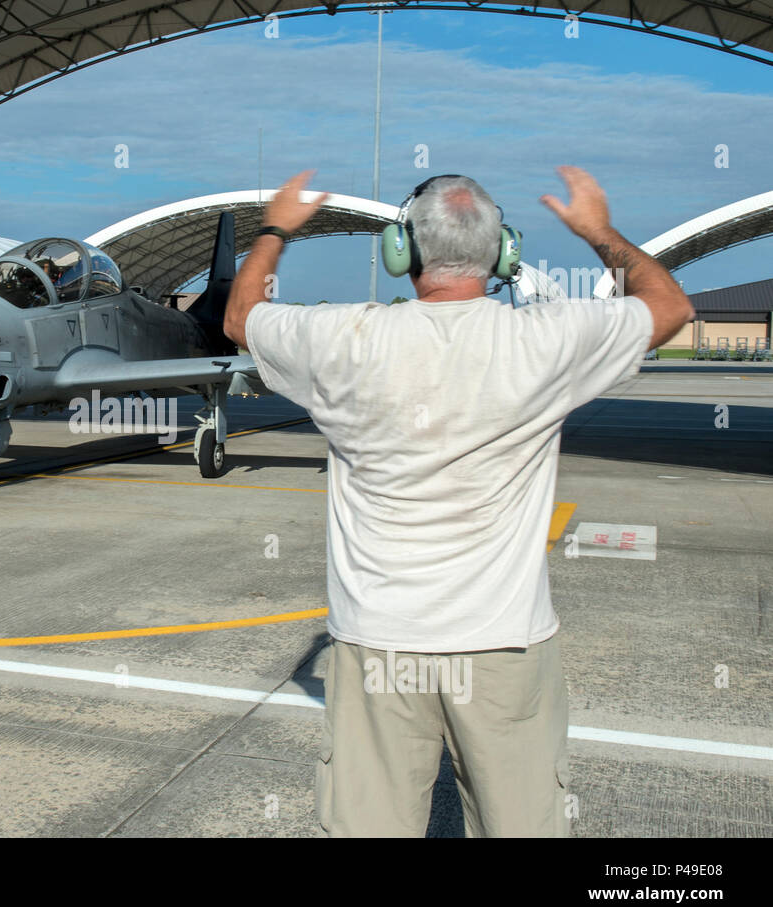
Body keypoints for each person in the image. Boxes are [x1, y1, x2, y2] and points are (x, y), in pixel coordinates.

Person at [223, 167, 693, 837]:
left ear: (401, 252)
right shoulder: (545, 340)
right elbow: (670, 306)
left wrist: (276, 230)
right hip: (502, 645)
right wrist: (597, 230)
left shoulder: (342, 340)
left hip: (377, 644)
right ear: (503, 252)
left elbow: (241, 318)